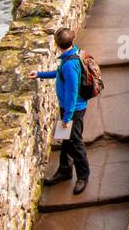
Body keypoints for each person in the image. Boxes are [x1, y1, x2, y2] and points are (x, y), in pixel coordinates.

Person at [28, 27, 90, 195]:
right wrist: (40, 74)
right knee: (66, 139)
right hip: (70, 109)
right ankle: (65, 170)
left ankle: (83, 176)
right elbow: (59, 74)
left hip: (73, 110)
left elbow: (72, 92)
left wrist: (67, 117)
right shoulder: (72, 55)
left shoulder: (70, 64)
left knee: (76, 143)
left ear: (57, 45)